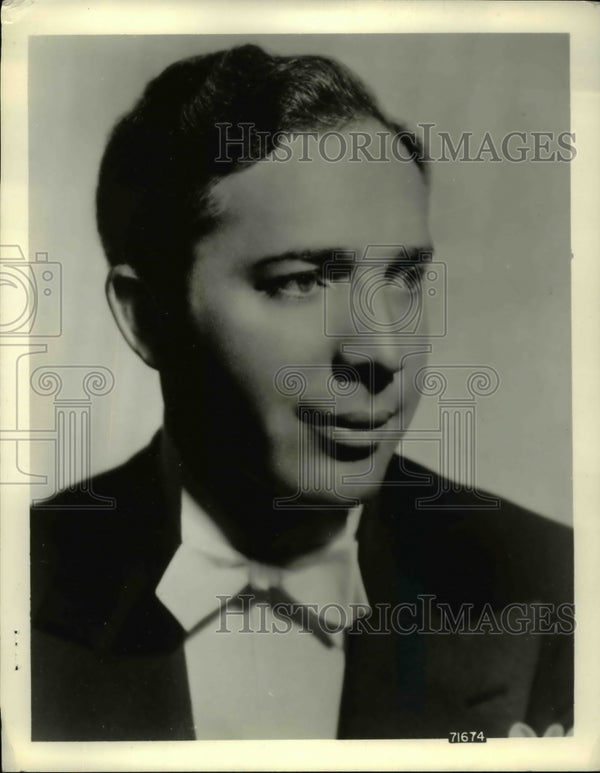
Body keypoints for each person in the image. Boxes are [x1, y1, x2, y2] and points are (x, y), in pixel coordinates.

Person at [30, 44, 573, 741]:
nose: (381, 350)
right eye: (300, 280)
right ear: (146, 318)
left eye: (405, 277)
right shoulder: (23, 587)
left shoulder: (555, 585)